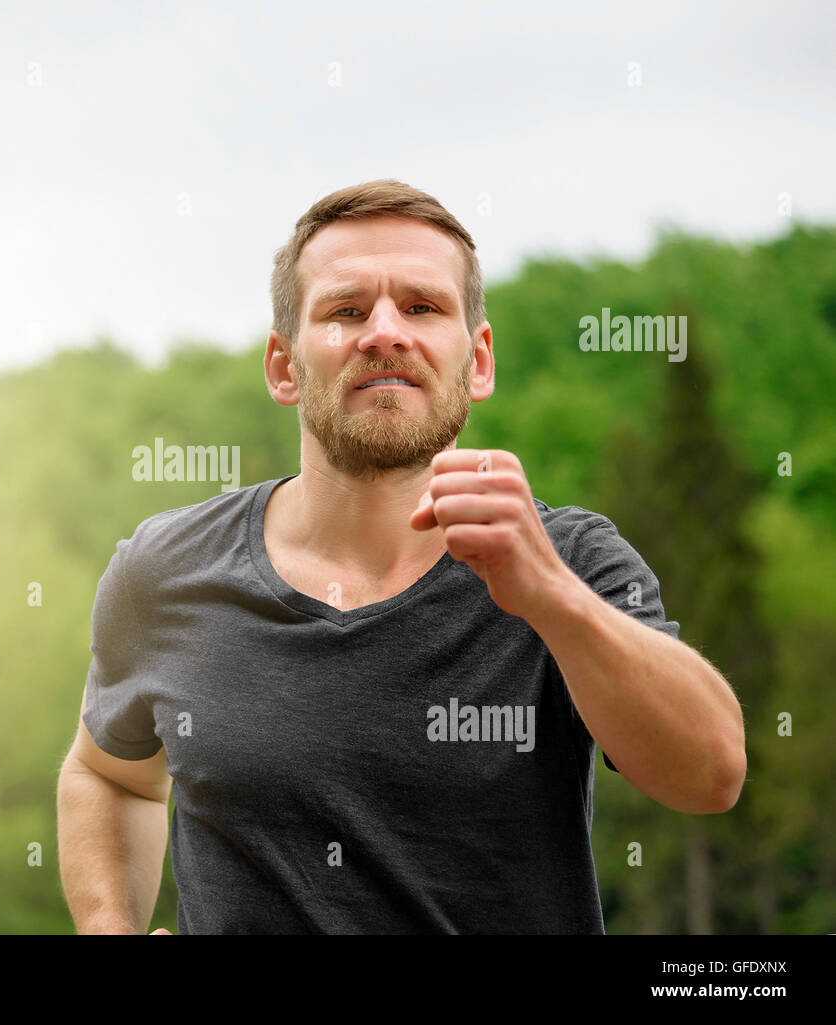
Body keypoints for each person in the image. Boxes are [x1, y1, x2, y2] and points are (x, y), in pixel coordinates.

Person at [55, 179, 747, 935]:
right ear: (284, 367)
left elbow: (710, 773)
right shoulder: (165, 568)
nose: (384, 332)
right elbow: (110, 774)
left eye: (422, 306)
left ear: (477, 360)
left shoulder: (572, 559)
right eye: (346, 310)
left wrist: (550, 594)